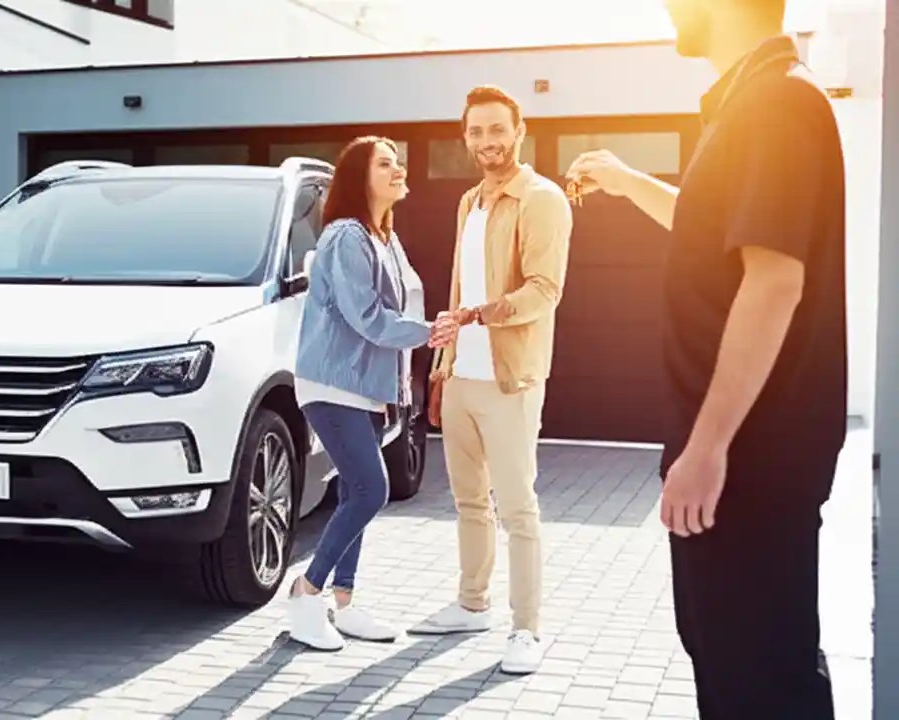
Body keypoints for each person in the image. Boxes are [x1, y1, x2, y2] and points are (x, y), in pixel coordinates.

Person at [564, 1, 845, 716]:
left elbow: (775, 279)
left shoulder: (779, 102)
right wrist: (630, 183)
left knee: (757, 678)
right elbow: (718, 226)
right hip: (742, 463)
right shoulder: (756, 100)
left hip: (748, 465)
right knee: (731, 660)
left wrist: (709, 444)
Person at [408, 86, 573, 676]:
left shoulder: (542, 199)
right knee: (468, 502)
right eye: (476, 132)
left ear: (519, 130)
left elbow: (543, 290)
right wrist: (441, 370)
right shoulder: (468, 202)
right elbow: (456, 289)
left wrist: (483, 315)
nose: (486, 142)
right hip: (463, 378)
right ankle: (471, 604)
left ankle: (527, 629)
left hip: (510, 379)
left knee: (518, 509)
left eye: (496, 130)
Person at [288, 136, 457, 651]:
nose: (399, 168)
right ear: (360, 178)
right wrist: (427, 331)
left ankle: (345, 601)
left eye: (398, 161)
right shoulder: (345, 237)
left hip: (363, 387)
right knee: (370, 489)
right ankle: (306, 590)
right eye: (385, 163)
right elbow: (366, 318)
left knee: (351, 490)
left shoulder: (384, 237)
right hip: (332, 383)